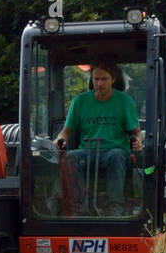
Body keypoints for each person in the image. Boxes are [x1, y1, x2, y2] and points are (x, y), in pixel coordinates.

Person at [55, 58, 143, 216]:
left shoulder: (124, 101)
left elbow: (136, 132)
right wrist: (59, 141)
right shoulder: (80, 101)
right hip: (87, 152)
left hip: (114, 151)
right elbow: (66, 132)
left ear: (113, 79)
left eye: (104, 79)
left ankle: (115, 206)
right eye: (96, 79)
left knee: (116, 155)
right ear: (91, 79)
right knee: (70, 157)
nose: (99, 83)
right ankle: (77, 207)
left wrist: (138, 142)